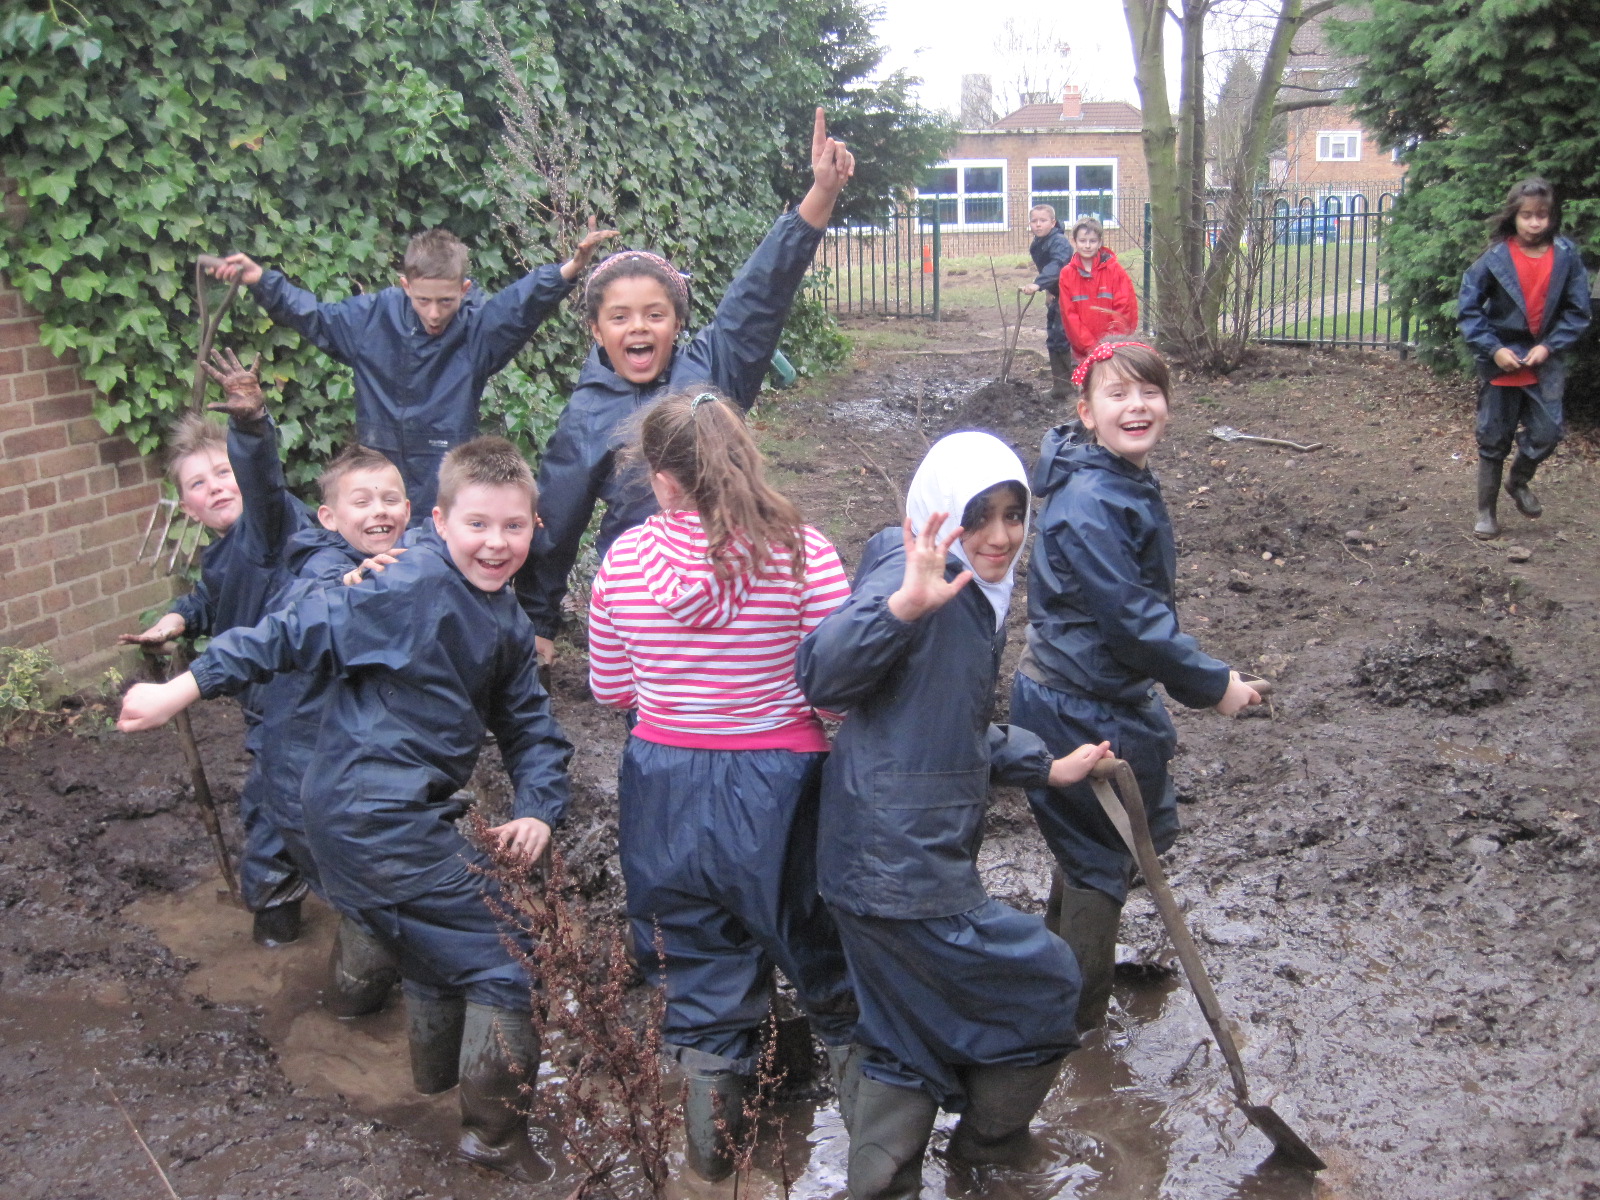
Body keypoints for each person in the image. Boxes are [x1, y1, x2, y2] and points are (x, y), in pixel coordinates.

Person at [118, 437, 573, 1181]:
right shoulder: (404, 583)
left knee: (434, 929)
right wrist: (181, 688)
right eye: (478, 526)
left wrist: (540, 809)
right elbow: (289, 631)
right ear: (440, 520)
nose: (496, 544)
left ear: (535, 528)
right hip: (369, 814)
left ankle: (409, 1068)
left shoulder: (507, 618)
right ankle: (493, 1140)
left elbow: (531, 729)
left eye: (513, 528)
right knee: (512, 958)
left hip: (385, 816)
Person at [796, 432, 1111, 1200]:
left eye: (1013, 515)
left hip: (874, 862)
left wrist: (1045, 764)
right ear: (939, 516)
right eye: (980, 518)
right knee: (1045, 980)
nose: (1001, 536)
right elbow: (821, 674)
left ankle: (885, 1180)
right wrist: (905, 604)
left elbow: (945, 729)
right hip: (902, 868)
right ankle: (987, 1150)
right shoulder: (920, 588)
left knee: (903, 1030)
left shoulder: (967, 590)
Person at [585, 389, 857, 1181]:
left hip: (664, 785)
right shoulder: (803, 551)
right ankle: (880, 1159)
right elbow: (834, 691)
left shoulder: (625, 560)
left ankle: (712, 1175)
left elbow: (609, 689)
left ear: (662, 479)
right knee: (823, 959)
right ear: (744, 455)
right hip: (782, 786)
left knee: (699, 978)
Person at [517, 107, 856, 667]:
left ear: (677, 323)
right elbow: (557, 520)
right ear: (596, 329)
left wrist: (819, 197)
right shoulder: (585, 415)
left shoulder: (714, 369)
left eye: (655, 314)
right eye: (621, 318)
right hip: (650, 609)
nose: (639, 328)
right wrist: (537, 622)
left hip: (741, 585)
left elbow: (761, 293)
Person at [1009, 341, 1260, 1036]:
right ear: (1086, 413)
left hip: (1087, 690)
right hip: (1076, 704)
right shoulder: (1092, 496)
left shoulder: (1117, 477)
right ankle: (1078, 1031)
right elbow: (1133, 622)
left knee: (1087, 848)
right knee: (1096, 860)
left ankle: (1052, 986)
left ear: (1168, 407)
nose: (1137, 405)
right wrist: (1216, 686)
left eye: (1149, 392)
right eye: (1118, 395)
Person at [208, 223, 617, 517]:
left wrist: (569, 269)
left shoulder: (478, 333)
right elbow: (312, 316)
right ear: (405, 286)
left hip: (443, 475)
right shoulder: (370, 320)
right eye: (423, 300)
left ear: (464, 290)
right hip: (377, 471)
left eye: (446, 301)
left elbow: (520, 306)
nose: (434, 313)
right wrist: (262, 280)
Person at [119, 350, 316, 947]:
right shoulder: (224, 550)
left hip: (297, 699)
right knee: (290, 808)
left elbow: (262, 479)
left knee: (276, 811)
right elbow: (216, 594)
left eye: (223, 473)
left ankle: (277, 933)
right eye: (198, 485)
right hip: (264, 704)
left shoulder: (273, 522)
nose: (214, 488)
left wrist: (252, 427)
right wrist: (179, 617)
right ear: (188, 508)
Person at [244, 445, 413, 1018]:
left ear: (410, 510)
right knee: (362, 895)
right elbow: (307, 602)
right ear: (329, 518)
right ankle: (348, 1009)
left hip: (354, 765)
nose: (378, 511)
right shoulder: (321, 567)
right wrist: (348, 583)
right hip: (303, 771)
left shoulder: (407, 560)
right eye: (360, 501)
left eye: (390, 499)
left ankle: (359, 983)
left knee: (370, 886)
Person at [1458, 176, 1591, 538]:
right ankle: (1486, 512)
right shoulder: (1495, 258)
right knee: (1493, 438)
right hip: (1502, 360)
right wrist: (1495, 348)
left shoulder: (1565, 256)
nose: (1535, 223)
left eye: (1542, 216)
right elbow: (1469, 310)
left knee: (1548, 432)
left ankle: (1518, 480)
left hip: (1543, 360)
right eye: (1528, 215)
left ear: (1552, 217)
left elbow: (1577, 311)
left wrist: (1548, 346)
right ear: (1515, 216)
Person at [1058, 215, 1138, 365]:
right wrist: (1090, 347)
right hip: (1083, 351)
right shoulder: (1067, 274)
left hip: (1115, 349)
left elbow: (1124, 307)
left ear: (1100, 242)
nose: (1087, 246)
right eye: (1082, 241)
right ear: (1074, 241)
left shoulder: (1114, 270)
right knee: (1088, 386)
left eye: (1092, 241)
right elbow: (1069, 315)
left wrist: (1112, 343)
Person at [1021, 204, 1074, 398]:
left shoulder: (1059, 242)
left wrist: (1038, 284)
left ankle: (1070, 387)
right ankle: (1059, 386)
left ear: (1053, 222)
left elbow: (1057, 265)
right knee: (1053, 336)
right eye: (1034, 221)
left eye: (1042, 221)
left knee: (1063, 337)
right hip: (1057, 293)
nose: (1038, 225)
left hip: (1071, 295)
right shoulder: (1039, 243)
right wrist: (1049, 290)